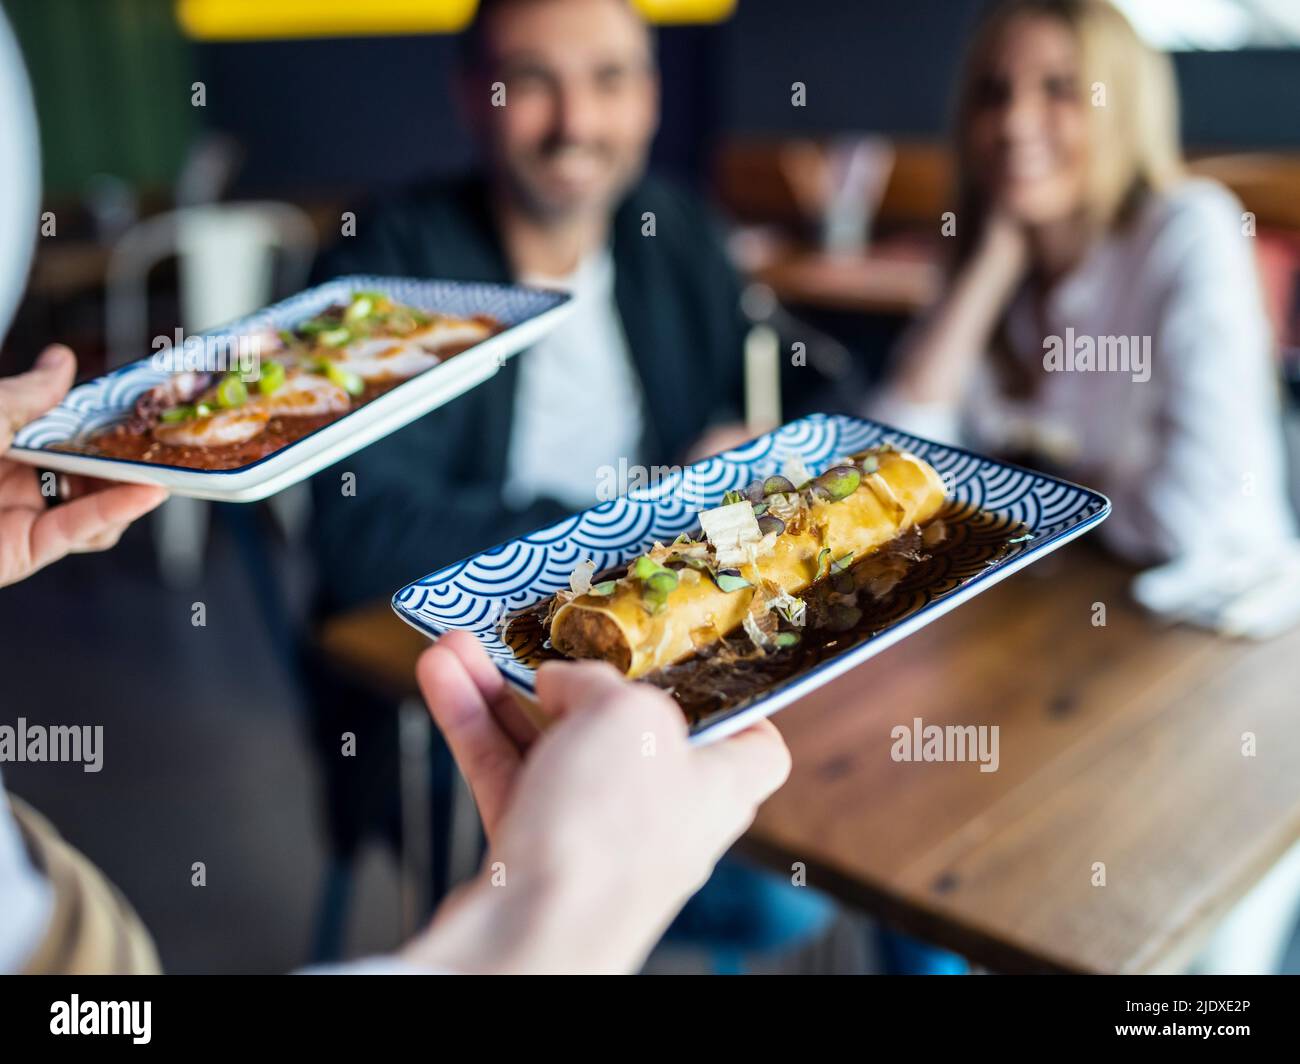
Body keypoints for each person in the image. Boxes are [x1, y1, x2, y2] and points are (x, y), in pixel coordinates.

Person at [0, 352, 791, 974]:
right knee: (782, 905)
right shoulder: (399, 245)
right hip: (424, 709)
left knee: (792, 900)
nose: (576, 132)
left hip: (678, 700)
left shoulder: (672, 242)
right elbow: (363, 540)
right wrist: (548, 929)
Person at [308, 0, 749, 612]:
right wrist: (649, 523)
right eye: (532, 79)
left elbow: (792, 384)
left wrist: (741, 446)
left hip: (669, 615)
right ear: (471, 97)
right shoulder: (387, 263)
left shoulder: (678, 231)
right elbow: (366, 534)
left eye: (610, 79)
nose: (576, 124)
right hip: (456, 655)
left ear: (650, 99)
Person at [871, 0, 1297, 565]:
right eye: (994, 92)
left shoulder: (1190, 229)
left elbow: (1202, 521)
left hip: (1211, 613)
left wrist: (1032, 498)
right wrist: (990, 267)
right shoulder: (994, 258)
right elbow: (887, 475)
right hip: (1056, 601)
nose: (1014, 122)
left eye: (1061, 89)